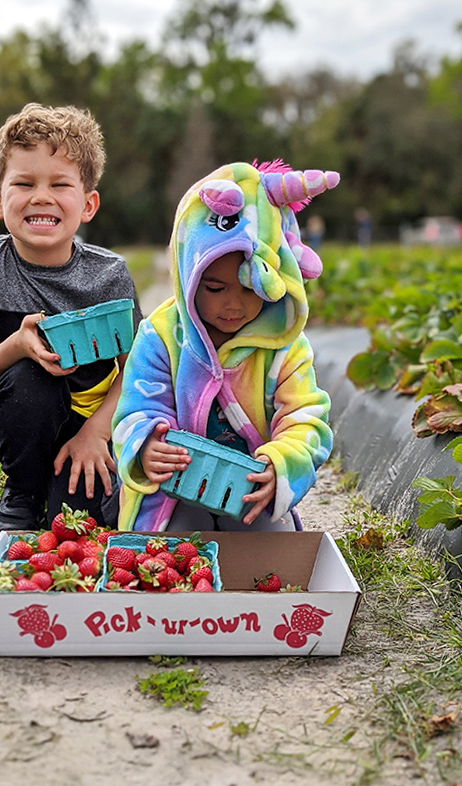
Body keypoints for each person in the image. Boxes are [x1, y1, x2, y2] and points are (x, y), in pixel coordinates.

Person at [112, 160, 338, 533]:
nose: (233, 305)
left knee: (270, 554)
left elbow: (307, 417)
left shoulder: (284, 348)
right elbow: (135, 407)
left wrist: (279, 465)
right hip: (175, 490)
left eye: (250, 288)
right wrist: (146, 445)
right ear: (188, 275)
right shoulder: (161, 336)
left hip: (250, 491)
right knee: (165, 551)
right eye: (215, 288)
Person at [0, 103, 142, 539]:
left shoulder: (109, 275)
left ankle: (72, 486)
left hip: (95, 420)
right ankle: (22, 491)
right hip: (26, 418)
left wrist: (96, 431)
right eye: (24, 182)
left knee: (75, 524)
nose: (41, 196)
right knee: (28, 377)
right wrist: (16, 345)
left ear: (88, 204)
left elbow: (137, 369)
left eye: (60, 183)